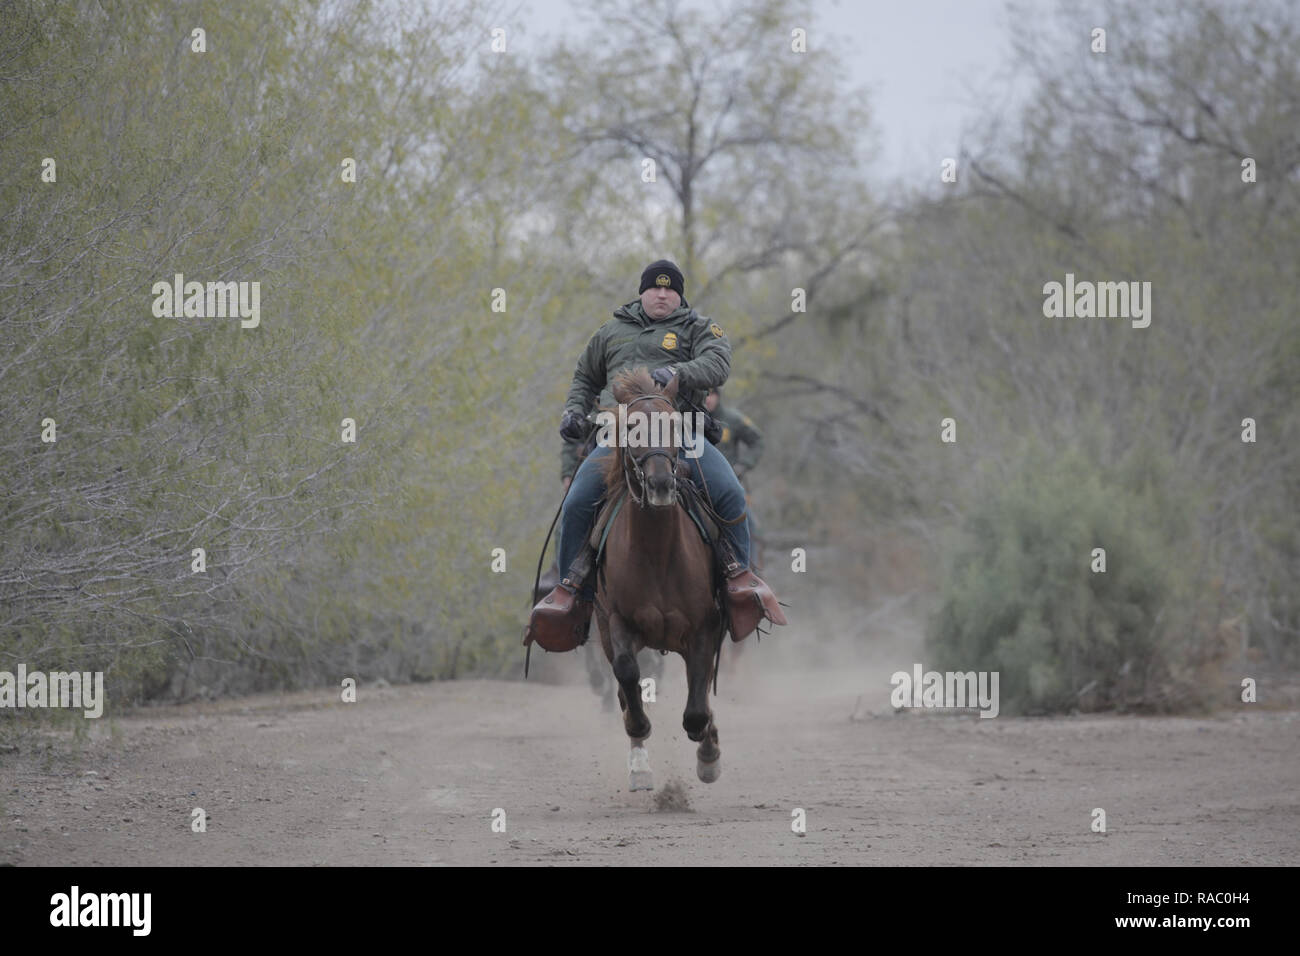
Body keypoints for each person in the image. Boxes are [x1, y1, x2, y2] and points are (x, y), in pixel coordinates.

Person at [527, 259, 786, 650]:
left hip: (682, 434)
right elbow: (584, 377)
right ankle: (571, 595)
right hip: (619, 436)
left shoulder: (698, 327)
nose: (662, 294)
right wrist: (574, 411)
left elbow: (718, 362)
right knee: (577, 502)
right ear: (642, 291)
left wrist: (679, 373)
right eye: (654, 287)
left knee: (731, 493)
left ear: (678, 295)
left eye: (670, 289)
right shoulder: (610, 332)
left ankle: (739, 580)